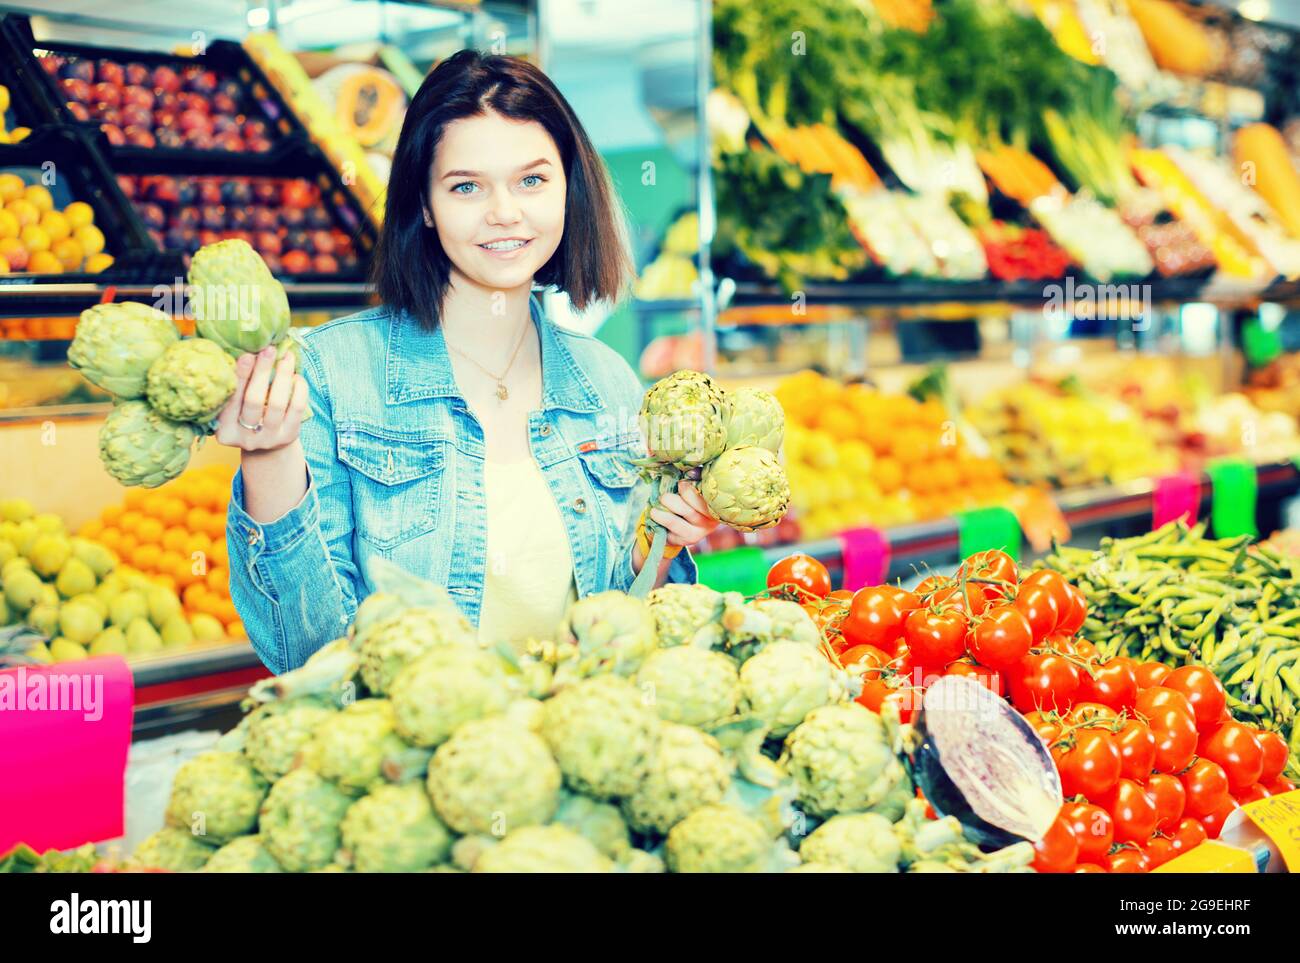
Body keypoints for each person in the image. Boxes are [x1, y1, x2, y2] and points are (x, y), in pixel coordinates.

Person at [217, 50, 717, 673]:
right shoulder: (327, 374)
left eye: (532, 180)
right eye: (466, 186)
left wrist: (664, 543)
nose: (504, 212)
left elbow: (628, 628)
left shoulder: (606, 379)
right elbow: (303, 655)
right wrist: (266, 455)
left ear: (569, 190)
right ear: (424, 205)